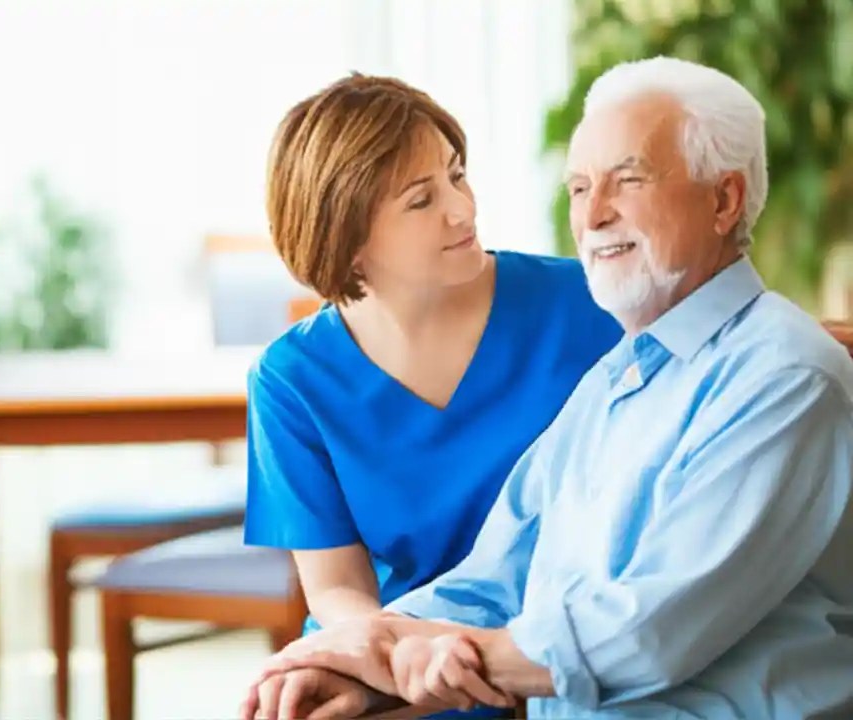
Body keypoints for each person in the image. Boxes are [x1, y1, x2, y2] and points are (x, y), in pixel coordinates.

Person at [242, 56, 853, 720]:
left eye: (628, 180)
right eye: (580, 187)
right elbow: (499, 572)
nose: (594, 215)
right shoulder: (619, 375)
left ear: (724, 200)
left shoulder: (765, 368)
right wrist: (363, 663)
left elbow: (645, 632)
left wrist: (439, 662)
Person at [244, 73, 622, 718]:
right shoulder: (292, 378)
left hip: (563, 653)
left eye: (457, 175)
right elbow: (336, 589)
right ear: (347, 238)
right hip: (398, 666)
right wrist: (396, 659)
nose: (463, 209)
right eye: (421, 200)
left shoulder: (590, 304)